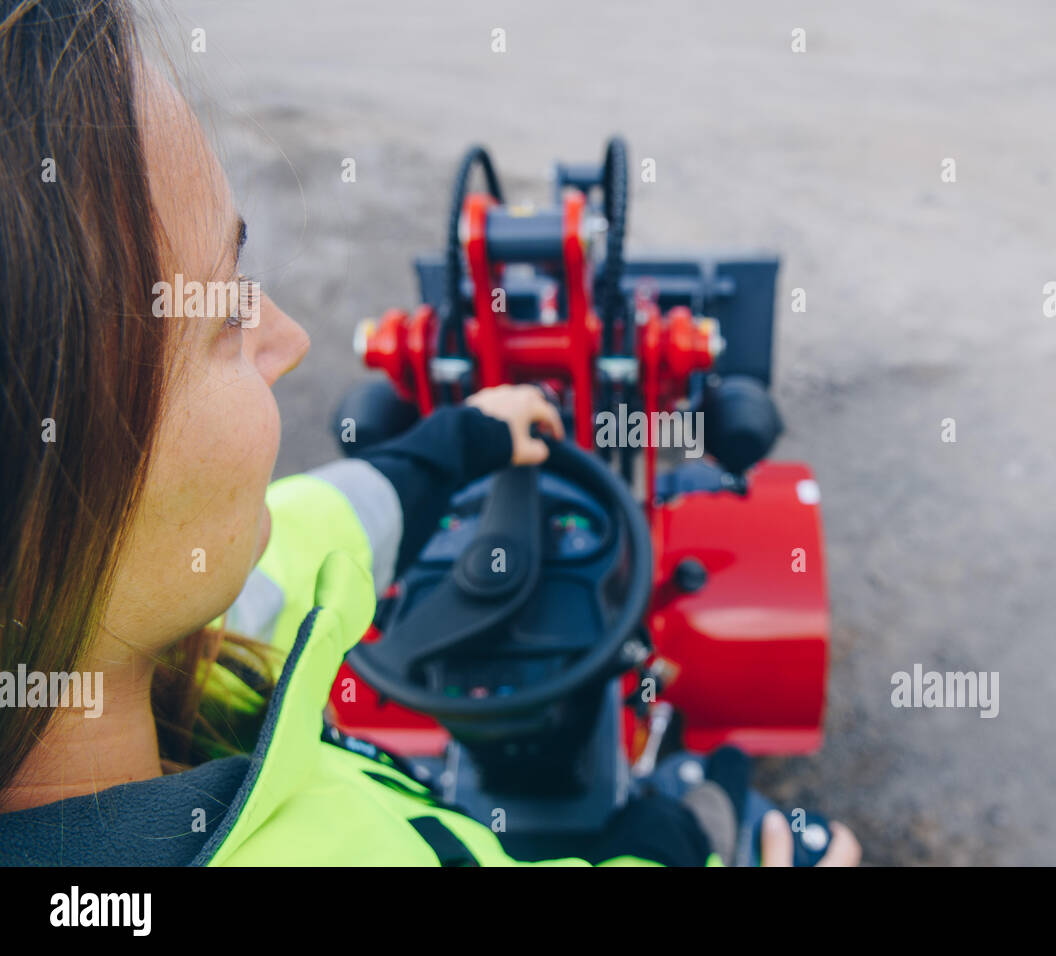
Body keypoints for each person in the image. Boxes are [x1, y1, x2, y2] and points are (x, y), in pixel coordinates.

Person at [0, 0, 860, 867]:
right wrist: (679, 841)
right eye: (224, 311)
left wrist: (441, 456)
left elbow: (288, 553)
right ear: (49, 503)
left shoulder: (133, 623)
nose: (288, 338)